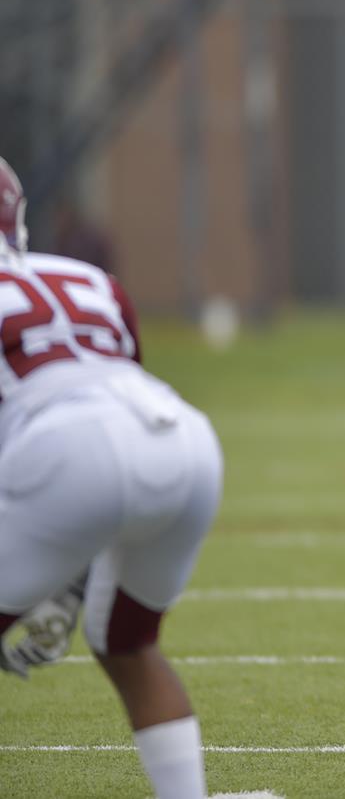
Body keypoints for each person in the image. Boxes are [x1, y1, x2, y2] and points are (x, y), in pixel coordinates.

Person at [0, 156, 222, 799]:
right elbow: (108, 405)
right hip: (184, 440)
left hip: (70, 454)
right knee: (126, 642)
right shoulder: (88, 277)